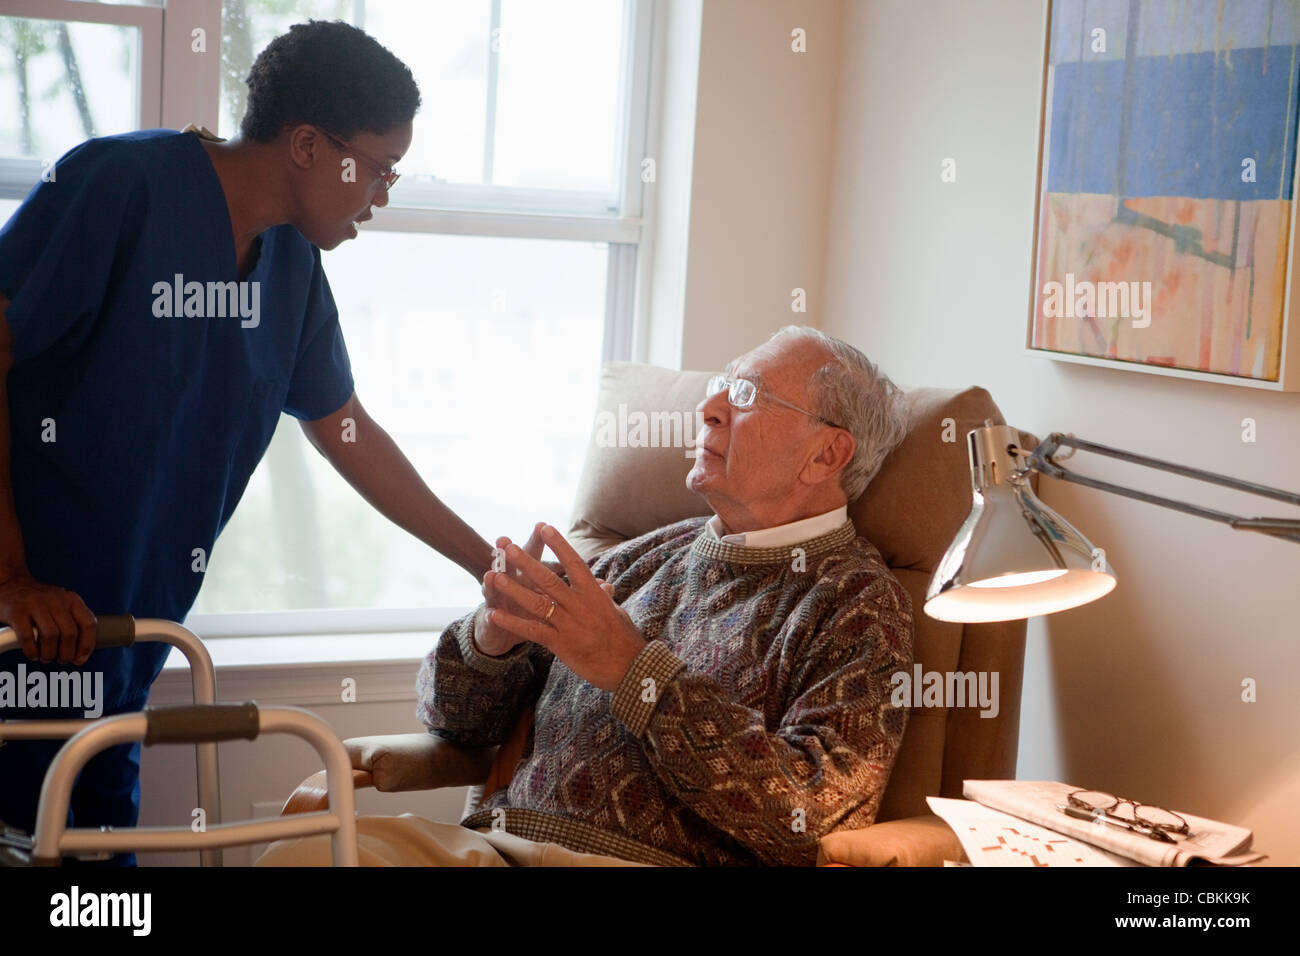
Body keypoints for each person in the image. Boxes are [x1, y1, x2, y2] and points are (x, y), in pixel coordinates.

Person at [0, 21, 499, 865]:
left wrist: (490, 567)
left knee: (91, 880)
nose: (382, 194)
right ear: (308, 144)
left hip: (122, 636)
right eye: (377, 168)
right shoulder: (122, 187)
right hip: (22, 622)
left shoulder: (292, 269)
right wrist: (12, 573)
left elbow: (347, 431)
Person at [257, 326, 916, 867]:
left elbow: (808, 816)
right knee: (303, 858)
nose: (710, 408)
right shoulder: (640, 556)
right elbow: (454, 724)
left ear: (827, 455)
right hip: (495, 849)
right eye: (720, 387)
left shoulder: (857, 603)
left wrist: (635, 671)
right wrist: (492, 640)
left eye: (745, 394)